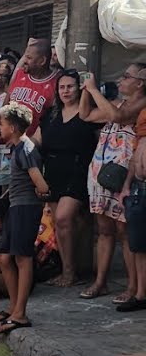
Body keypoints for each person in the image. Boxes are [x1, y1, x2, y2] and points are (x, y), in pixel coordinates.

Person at [81, 66, 146, 302]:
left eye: (126, 76)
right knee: (105, 230)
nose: (120, 79)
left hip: (123, 174)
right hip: (100, 172)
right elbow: (85, 115)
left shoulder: (140, 103)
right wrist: (86, 93)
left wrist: (93, 89)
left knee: (125, 232)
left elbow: (119, 117)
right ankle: (101, 282)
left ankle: (133, 287)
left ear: (140, 83)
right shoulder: (116, 104)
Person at [36, 69, 99, 287]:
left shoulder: (88, 114)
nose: (66, 91)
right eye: (62, 87)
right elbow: (37, 141)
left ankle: (71, 272)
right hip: (53, 171)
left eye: (70, 86)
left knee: (64, 218)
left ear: (79, 88)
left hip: (78, 171)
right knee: (58, 223)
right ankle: (67, 270)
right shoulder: (50, 115)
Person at [0, 103, 47, 335]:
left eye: (1, 124)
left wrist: (43, 194)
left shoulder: (26, 149)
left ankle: (20, 314)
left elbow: (40, 183)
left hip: (26, 208)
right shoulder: (17, 148)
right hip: (16, 206)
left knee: (23, 259)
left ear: (12, 127)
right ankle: (13, 307)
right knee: (4, 258)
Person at [8, 38, 58, 136]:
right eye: (25, 57)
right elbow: (4, 107)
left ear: (42, 61)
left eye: (29, 58)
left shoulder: (56, 83)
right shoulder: (19, 74)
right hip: (6, 142)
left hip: (31, 145)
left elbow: (52, 121)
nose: (25, 61)